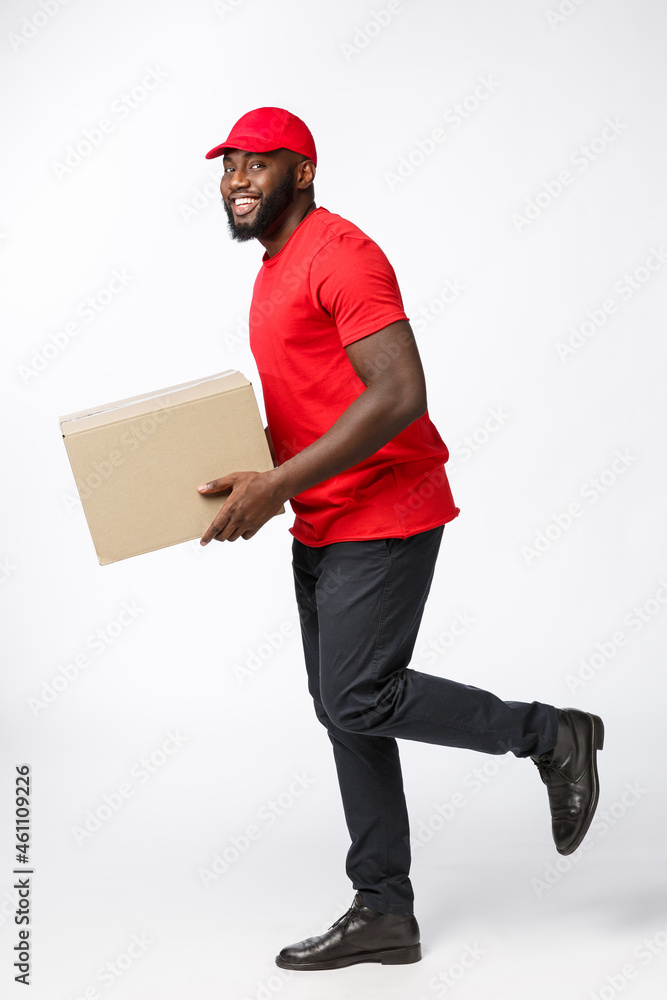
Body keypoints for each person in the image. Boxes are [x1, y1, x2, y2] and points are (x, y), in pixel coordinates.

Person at [197, 107, 604, 972]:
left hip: (385, 511)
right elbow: (317, 397)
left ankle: (548, 734)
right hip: (321, 514)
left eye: (256, 163)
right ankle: (384, 911)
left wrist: (278, 484)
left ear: (300, 173)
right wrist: (257, 474)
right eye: (226, 164)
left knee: (358, 697)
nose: (236, 177)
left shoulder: (342, 254)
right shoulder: (273, 269)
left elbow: (398, 394)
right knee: (344, 712)